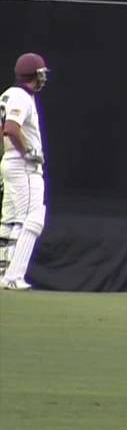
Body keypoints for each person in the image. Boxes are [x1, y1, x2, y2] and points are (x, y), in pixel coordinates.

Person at [0, 53, 50, 291]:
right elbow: (10, 129)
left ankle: (3, 270)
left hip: (9, 162)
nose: (44, 78)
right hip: (23, 166)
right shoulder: (20, 96)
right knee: (33, 218)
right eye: (42, 73)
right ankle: (13, 276)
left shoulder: (8, 95)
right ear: (35, 74)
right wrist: (29, 152)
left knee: (10, 222)